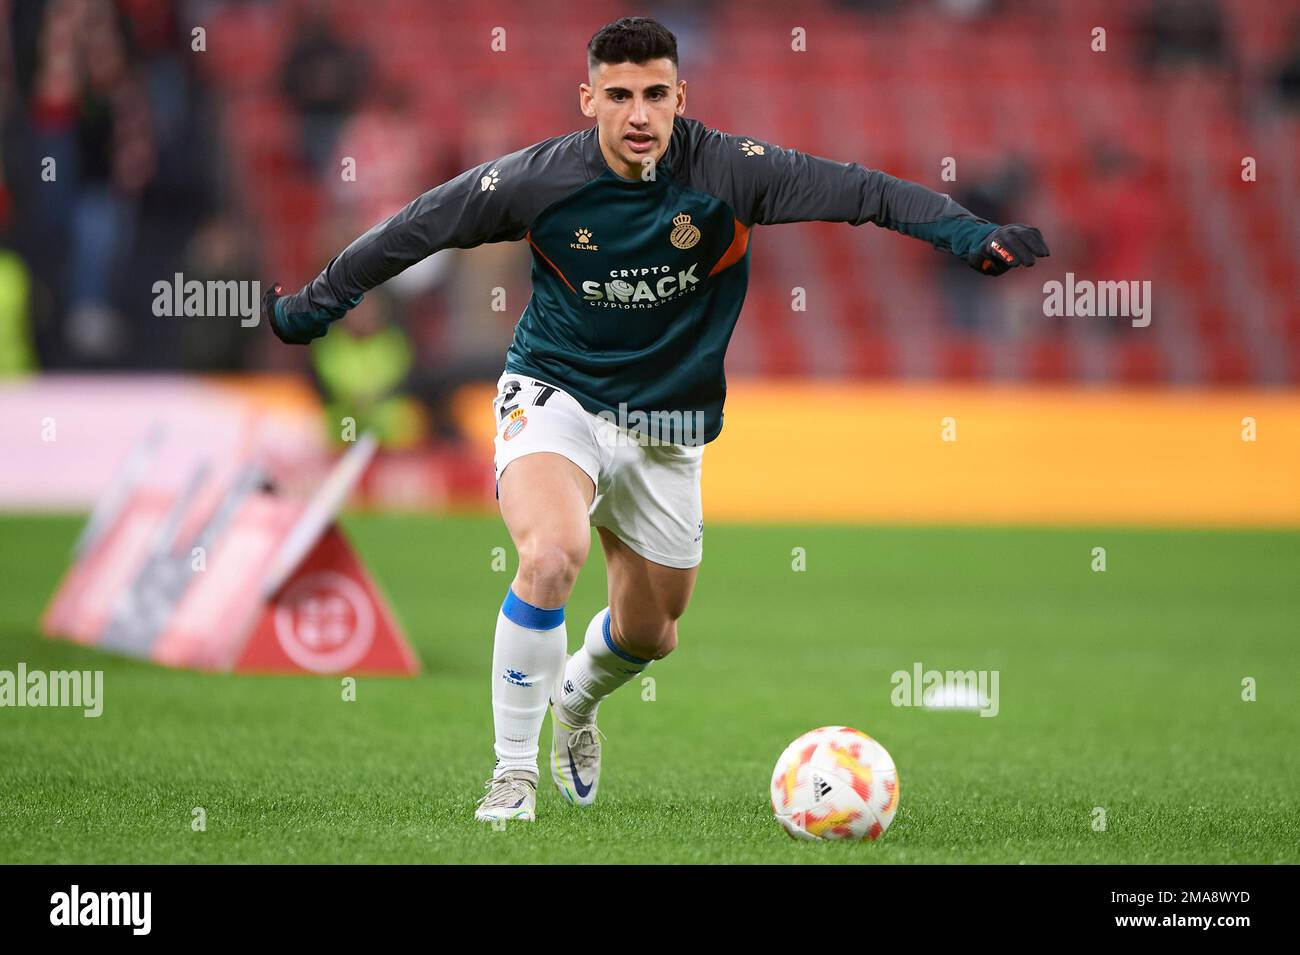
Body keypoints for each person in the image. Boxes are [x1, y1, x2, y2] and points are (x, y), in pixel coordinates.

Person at [263, 16, 1048, 822]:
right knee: (551, 557)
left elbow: (866, 192)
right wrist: (321, 299)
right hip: (555, 390)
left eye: (654, 95)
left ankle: (574, 697)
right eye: (619, 96)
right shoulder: (541, 180)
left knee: (652, 632)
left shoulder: (733, 173)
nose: (638, 114)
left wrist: (971, 233)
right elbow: (420, 223)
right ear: (589, 99)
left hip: (669, 423)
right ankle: (511, 775)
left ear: (681, 96)